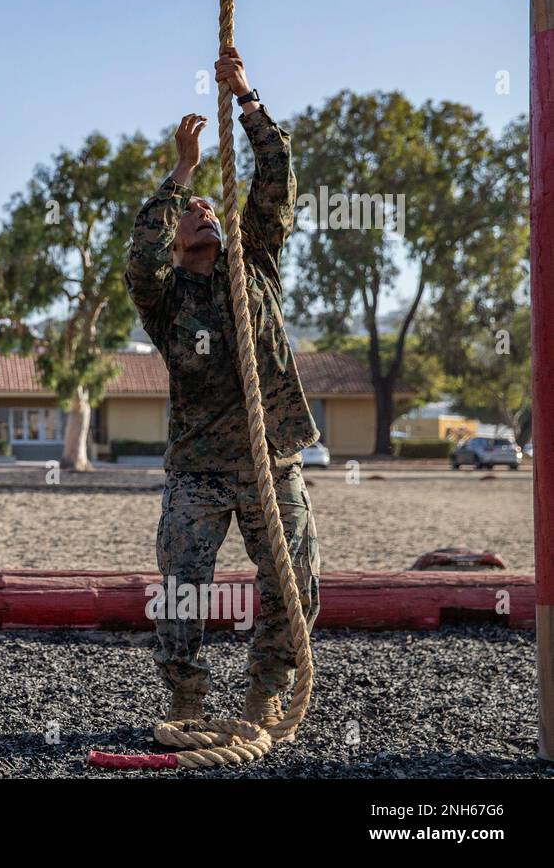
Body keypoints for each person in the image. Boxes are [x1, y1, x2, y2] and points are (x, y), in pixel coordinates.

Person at [123, 46, 321, 729]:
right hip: (199, 469)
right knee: (181, 587)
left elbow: (277, 176)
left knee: (294, 584)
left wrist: (246, 99)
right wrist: (182, 172)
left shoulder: (255, 263)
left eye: (210, 207)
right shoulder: (165, 296)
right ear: (178, 239)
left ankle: (266, 688)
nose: (204, 211)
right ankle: (185, 692)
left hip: (272, 454)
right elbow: (140, 251)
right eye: (192, 212)